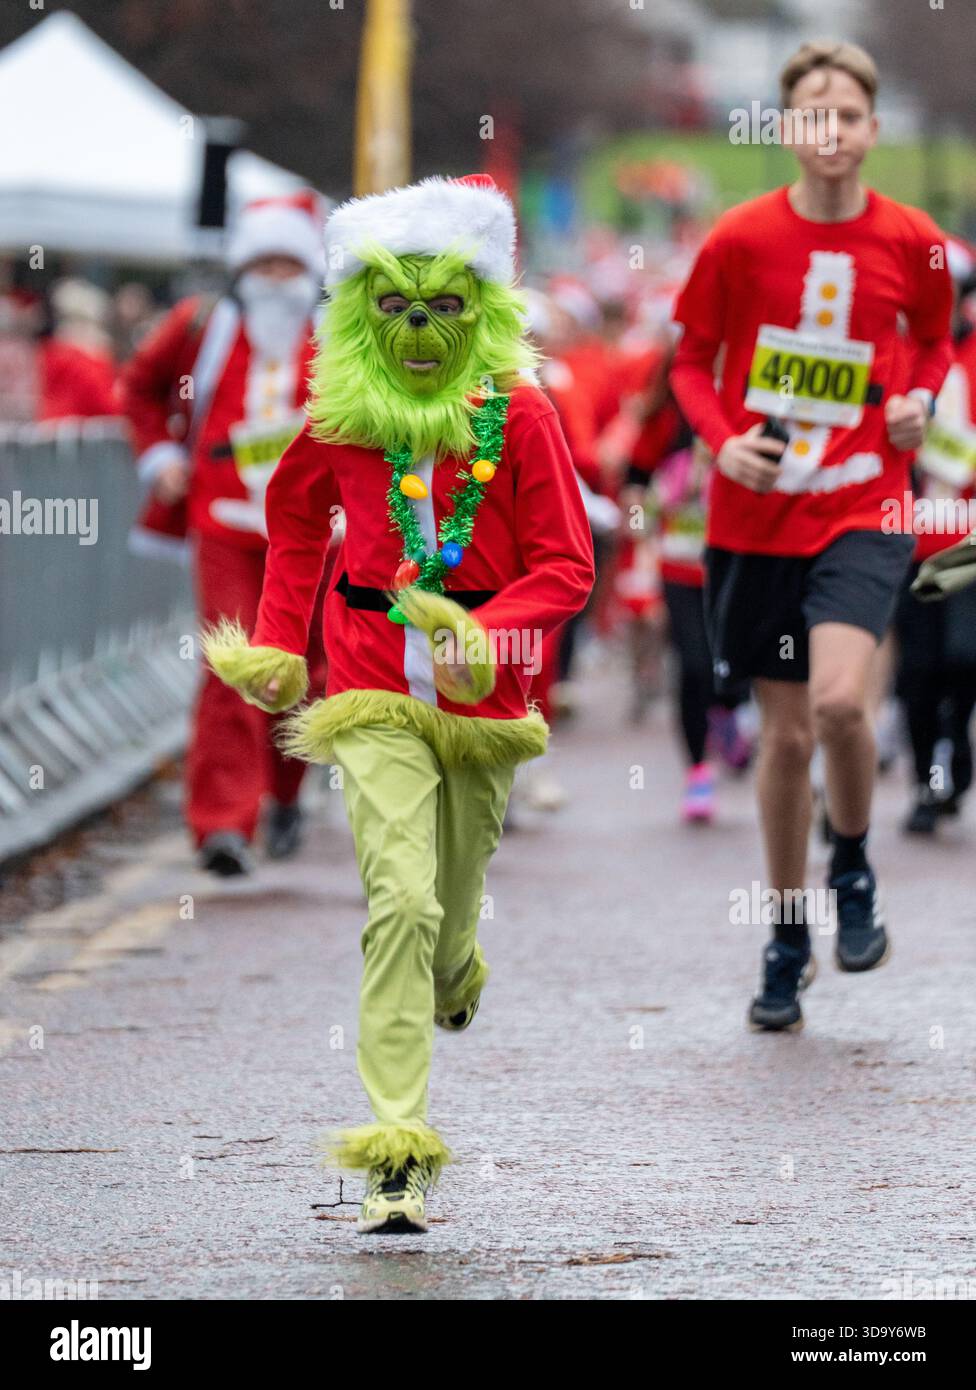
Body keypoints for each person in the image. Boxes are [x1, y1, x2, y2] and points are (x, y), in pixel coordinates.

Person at [205, 174, 594, 1232]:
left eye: (444, 307)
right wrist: (282, 641)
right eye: (394, 307)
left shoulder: (520, 414)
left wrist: (485, 626)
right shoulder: (340, 419)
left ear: (482, 309)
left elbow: (569, 565)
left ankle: (461, 965)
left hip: (486, 689)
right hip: (370, 676)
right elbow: (291, 525)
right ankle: (395, 1152)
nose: (419, 331)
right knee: (400, 904)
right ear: (360, 309)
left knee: (452, 912)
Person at [669, 40, 953, 1031]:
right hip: (756, 516)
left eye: (847, 114)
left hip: (865, 504)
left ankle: (854, 862)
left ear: (870, 131)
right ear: (786, 130)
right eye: (811, 114)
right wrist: (721, 442)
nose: (829, 131)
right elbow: (692, 363)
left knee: (840, 704)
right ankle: (787, 932)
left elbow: (932, 338)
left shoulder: (913, 237)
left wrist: (915, 400)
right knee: (783, 735)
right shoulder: (739, 239)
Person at [121, 192, 329, 874]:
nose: (275, 276)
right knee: (232, 664)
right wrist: (161, 458)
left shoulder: (337, 332)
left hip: (315, 529)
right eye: (263, 262)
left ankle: (287, 792)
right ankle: (222, 825)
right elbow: (139, 388)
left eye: (287, 262)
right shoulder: (199, 324)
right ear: (243, 268)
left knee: (304, 670)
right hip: (224, 520)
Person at [895, 241, 976, 833]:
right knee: (916, 674)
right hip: (903, 537)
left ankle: (956, 754)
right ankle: (926, 781)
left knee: (964, 658)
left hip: (968, 541)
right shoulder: (892, 357)